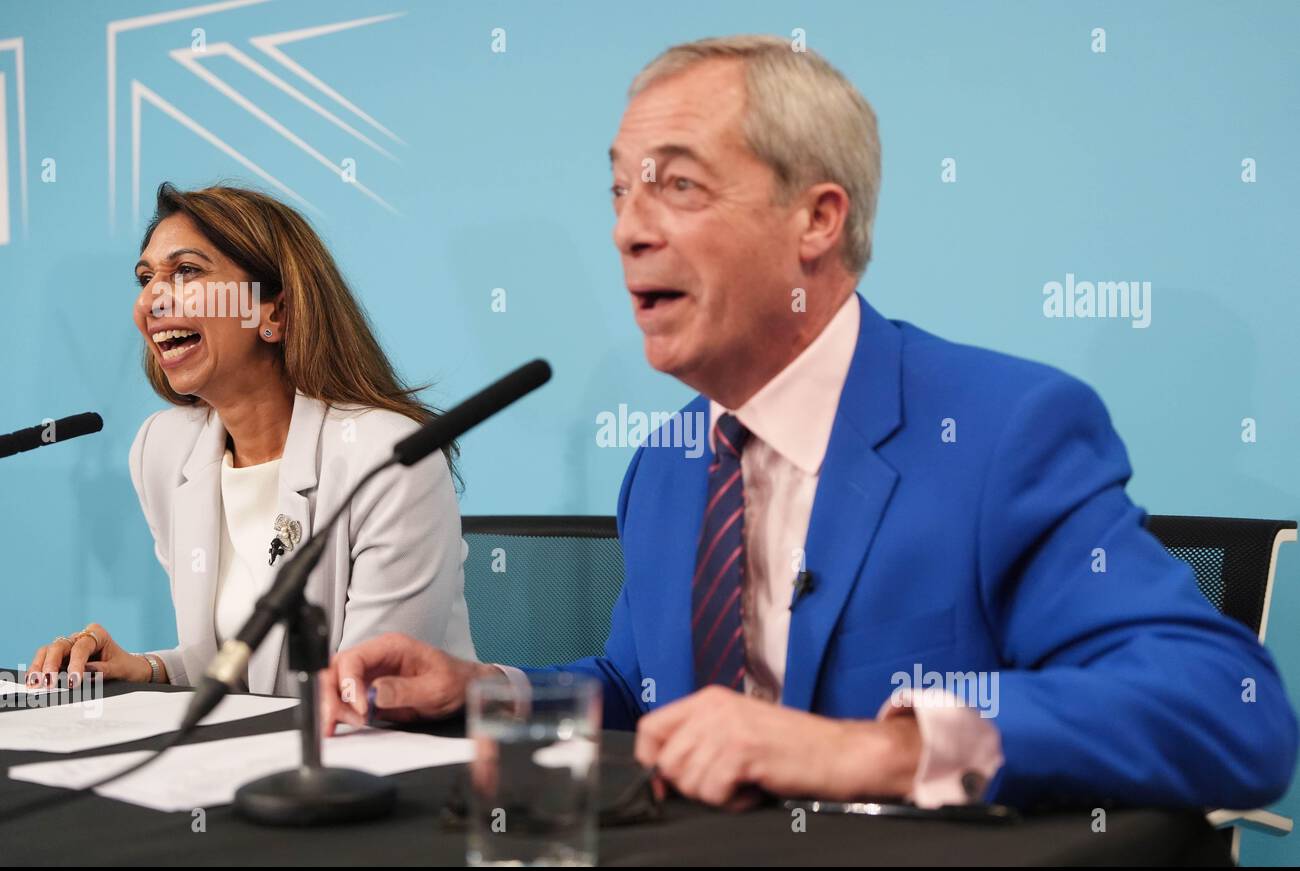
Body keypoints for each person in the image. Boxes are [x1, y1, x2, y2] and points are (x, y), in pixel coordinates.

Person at [320, 36, 1297, 810]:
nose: (628, 228)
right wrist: (481, 689)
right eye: (620, 190)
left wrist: (876, 748)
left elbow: (1224, 706)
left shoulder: (1004, 431)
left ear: (817, 220)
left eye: (677, 185)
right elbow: (641, 689)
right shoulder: (667, 462)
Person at [26, 182, 476, 695]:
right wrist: (147, 669)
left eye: (186, 271)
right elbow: (240, 664)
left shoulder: (388, 456)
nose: (150, 300)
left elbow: (365, 691)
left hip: (394, 741)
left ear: (273, 312)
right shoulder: (163, 450)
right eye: (145, 278)